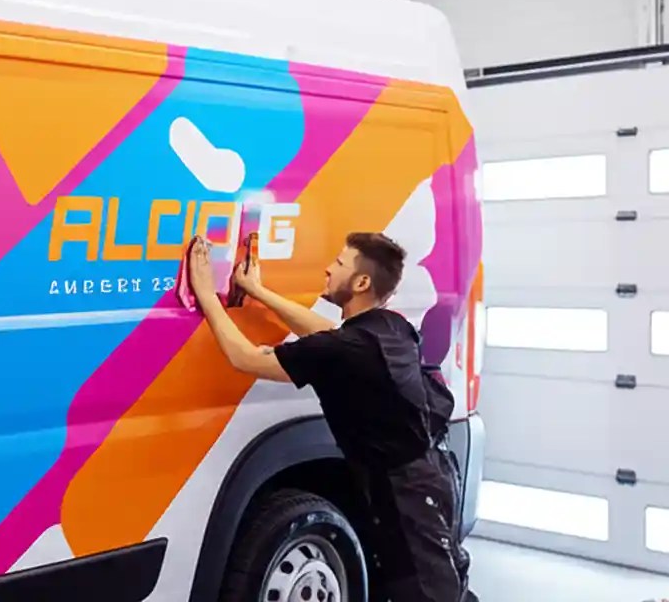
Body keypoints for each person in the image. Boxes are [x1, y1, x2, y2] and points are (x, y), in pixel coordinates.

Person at [186, 231, 473, 602]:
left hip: (407, 497)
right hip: (432, 475)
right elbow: (326, 333)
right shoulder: (387, 326)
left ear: (361, 282)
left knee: (426, 593)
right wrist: (257, 291)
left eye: (338, 264)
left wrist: (206, 294)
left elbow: (247, 359)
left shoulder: (348, 349)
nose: (327, 269)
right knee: (436, 580)